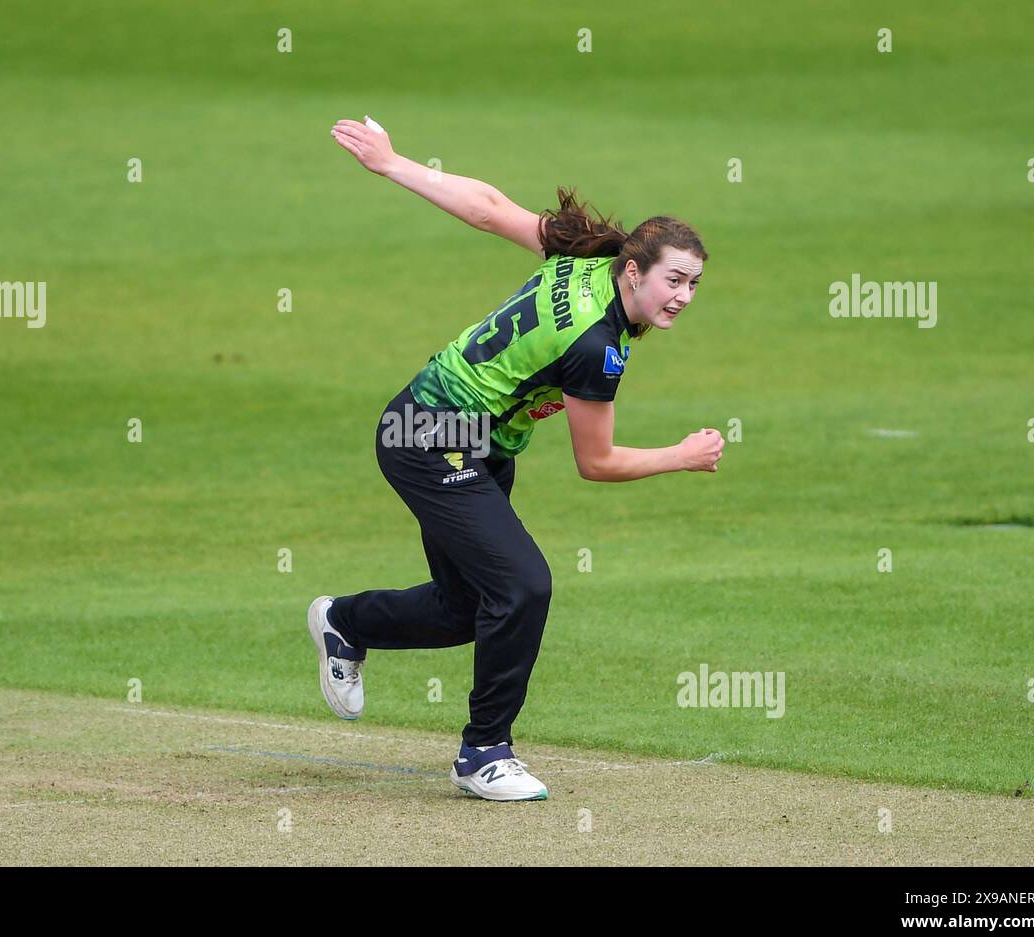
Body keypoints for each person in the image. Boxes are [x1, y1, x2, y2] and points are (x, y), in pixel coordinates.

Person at [309, 117, 723, 801]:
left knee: (464, 609)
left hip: (474, 439)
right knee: (524, 586)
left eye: (694, 284)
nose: (682, 295)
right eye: (674, 279)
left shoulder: (586, 258)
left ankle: (344, 623)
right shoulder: (600, 347)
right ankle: (483, 754)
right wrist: (681, 455)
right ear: (633, 270)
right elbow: (598, 463)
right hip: (428, 433)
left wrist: (393, 164)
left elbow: (490, 209)